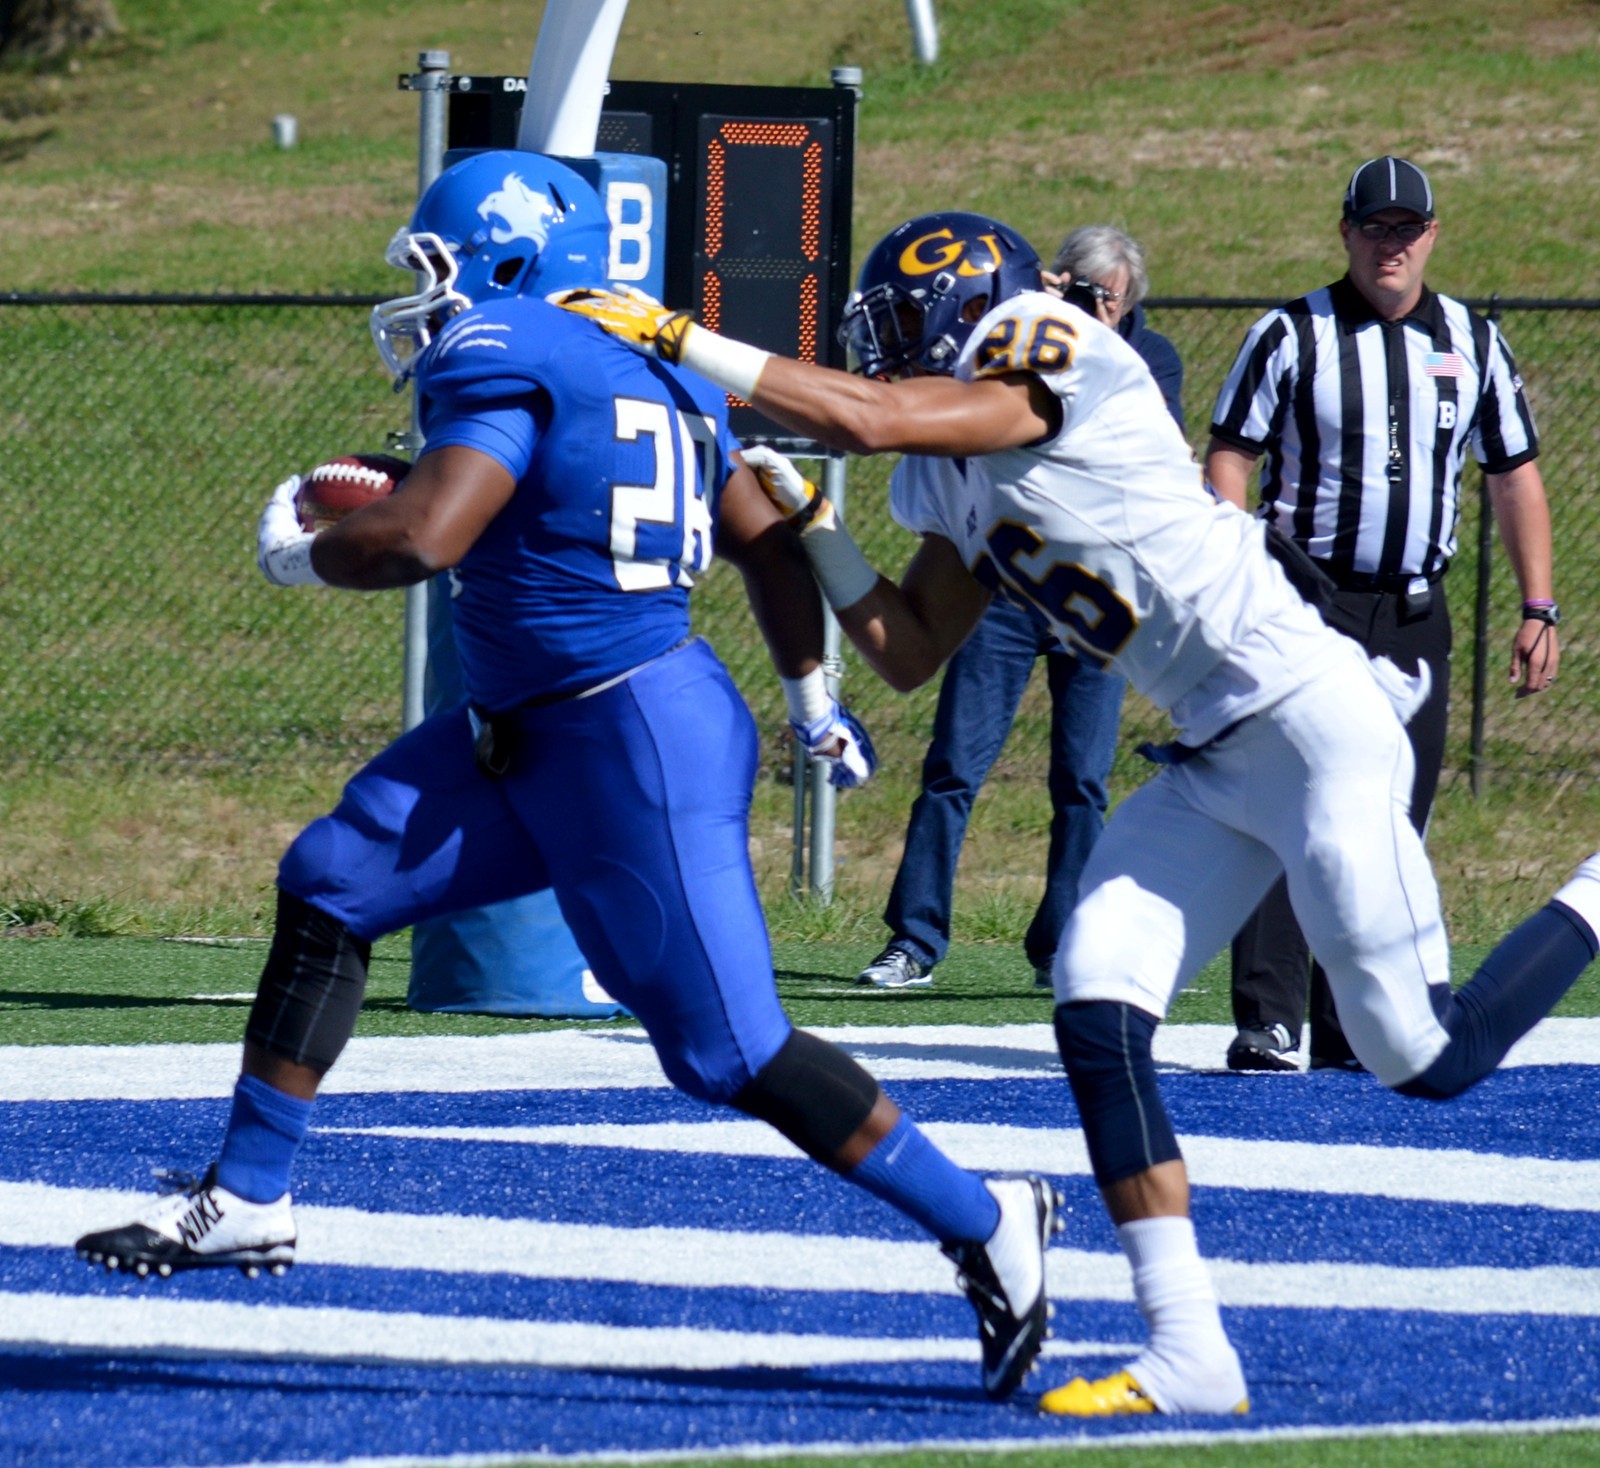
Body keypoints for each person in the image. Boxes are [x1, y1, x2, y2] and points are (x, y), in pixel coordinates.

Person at [554, 210, 1600, 1416]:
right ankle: (1187, 1348)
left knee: (1422, 1057)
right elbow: (905, 647)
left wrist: (683, 337)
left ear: (968, 304)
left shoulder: (1045, 338)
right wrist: (823, 537)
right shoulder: (939, 461)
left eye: (901, 326)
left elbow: (874, 413)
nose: (890, 351)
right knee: (1096, 1000)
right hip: (1211, 753)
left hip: (1310, 719)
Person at [72, 153, 1061, 1406]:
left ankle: (986, 1218)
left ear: (502, 262)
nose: (424, 301)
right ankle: (248, 1197)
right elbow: (765, 541)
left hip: (627, 742)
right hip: (533, 728)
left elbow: (428, 536)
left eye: (437, 269)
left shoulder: (505, 341)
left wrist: (306, 558)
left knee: (726, 1052)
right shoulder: (649, 369)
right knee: (331, 877)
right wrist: (810, 689)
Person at [1208, 156, 1560, 1073]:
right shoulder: (1292, 334)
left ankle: (1348, 1021)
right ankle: (1270, 1018)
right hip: (1305, 602)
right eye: (1375, 228)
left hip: (1413, 616)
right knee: (1293, 802)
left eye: (1408, 229)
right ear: (1347, 233)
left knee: (1392, 821)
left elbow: (1513, 472)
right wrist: (1229, 570)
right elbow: (1230, 458)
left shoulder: (1473, 342)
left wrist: (1539, 604)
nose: (1391, 245)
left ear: (1433, 236)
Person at [856, 224, 1179, 993]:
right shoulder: (1008, 353)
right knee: (953, 768)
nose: (1090, 306)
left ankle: (1067, 941)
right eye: (1075, 287)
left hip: (1093, 599)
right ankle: (915, 937)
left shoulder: (1133, 359)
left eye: (1109, 298)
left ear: (1128, 304)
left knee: (1083, 779)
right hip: (1000, 588)